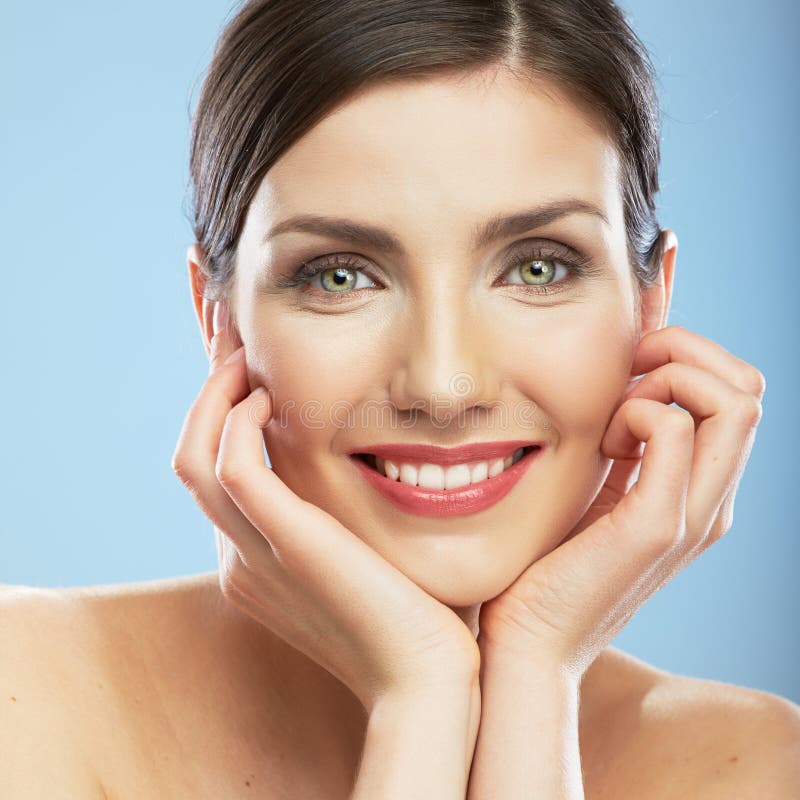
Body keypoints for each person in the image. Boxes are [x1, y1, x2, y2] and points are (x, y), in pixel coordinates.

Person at [3, 0, 798, 797]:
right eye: (339, 276)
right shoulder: (26, 689)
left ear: (650, 304)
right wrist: (419, 697)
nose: (444, 388)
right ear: (221, 321)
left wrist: (536, 665)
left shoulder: (756, 765)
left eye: (538, 267)